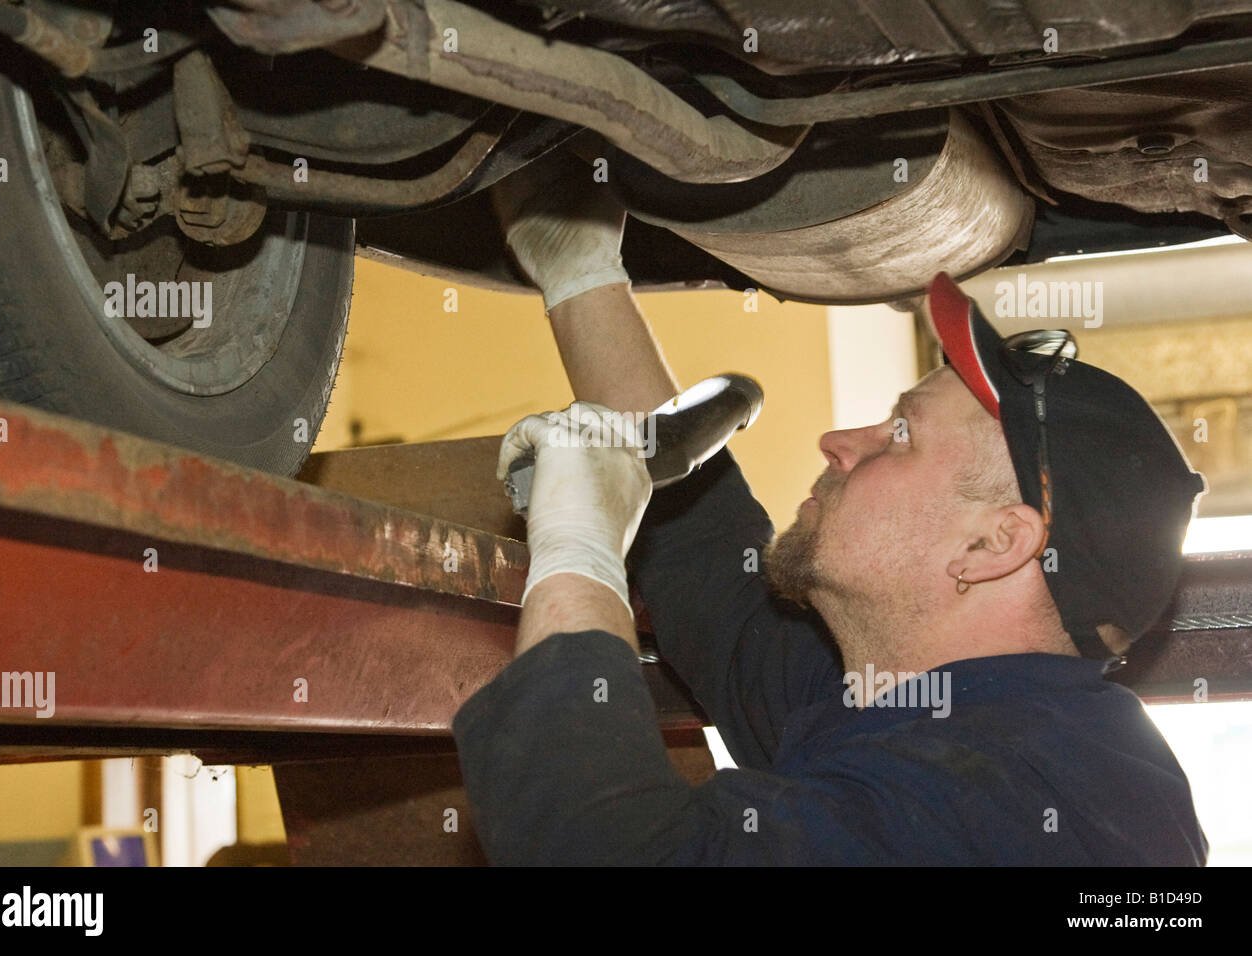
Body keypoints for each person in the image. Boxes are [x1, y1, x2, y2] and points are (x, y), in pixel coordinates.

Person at [450, 149, 1209, 865]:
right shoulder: (908, 700)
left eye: (900, 436)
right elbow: (705, 559)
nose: (838, 440)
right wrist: (579, 272)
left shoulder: (1037, 808)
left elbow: (606, 849)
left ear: (992, 545)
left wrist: (577, 545)